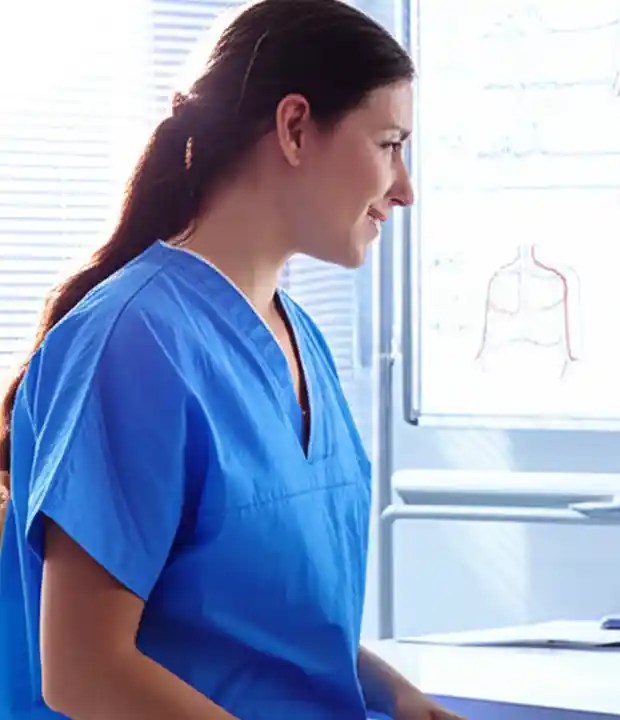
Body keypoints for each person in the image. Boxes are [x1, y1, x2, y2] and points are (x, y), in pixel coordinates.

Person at [0, 1, 463, 718]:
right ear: (295, 128)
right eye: (389, 145)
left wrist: (395, 695)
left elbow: (268, 624)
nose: (405, 189)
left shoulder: (300, 340)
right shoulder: (133, 343)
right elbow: (85, 671)